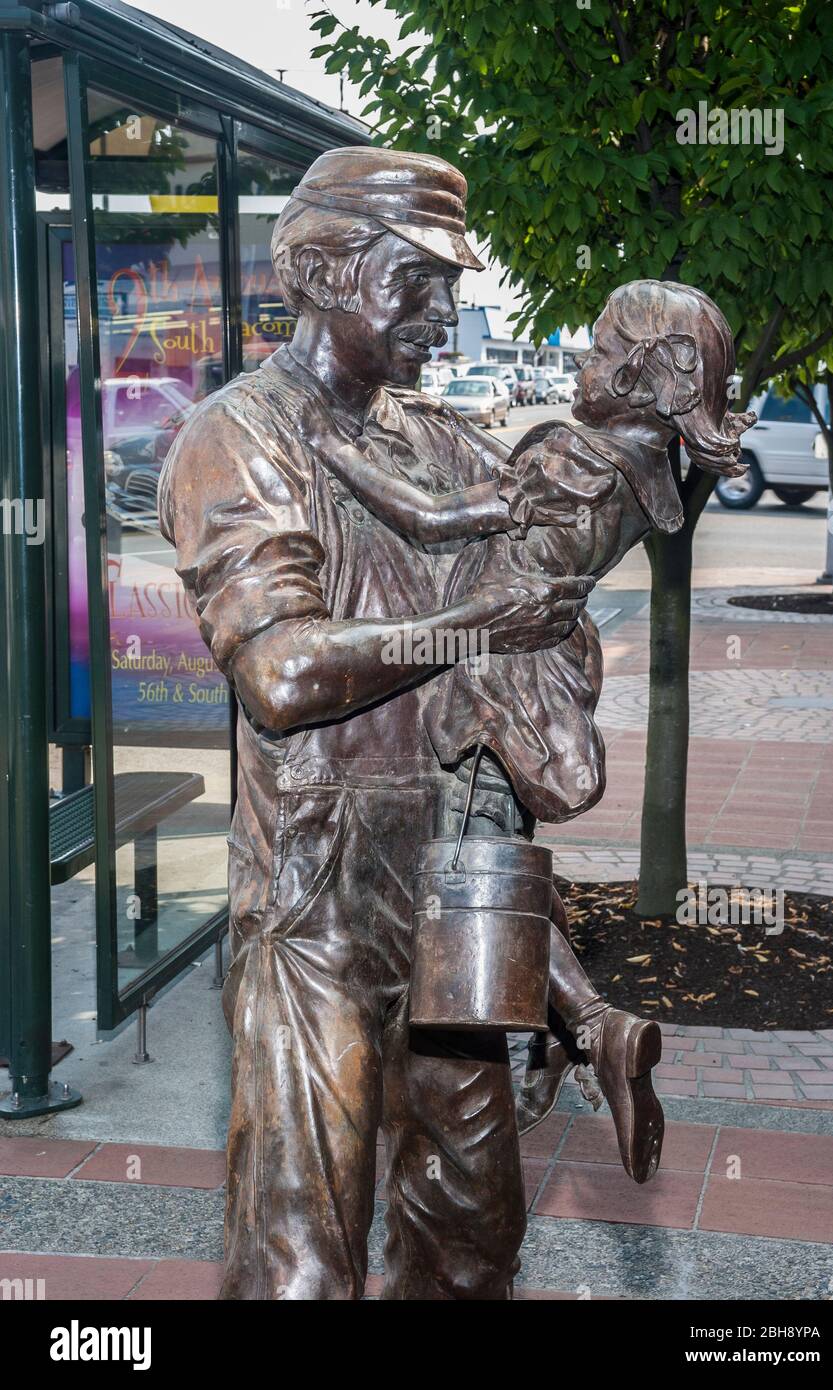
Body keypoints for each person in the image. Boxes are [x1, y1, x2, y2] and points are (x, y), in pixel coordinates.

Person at [158, 145, 596, 1300]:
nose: (445, 312)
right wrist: (470, 620)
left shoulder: (439, 443)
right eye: (418, 279)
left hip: (455, 912)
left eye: (453, 283)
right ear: (320, 272)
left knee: (470, 1240)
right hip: (316, 918)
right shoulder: (236, 437)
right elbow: (285, 675)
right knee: (303, 1260)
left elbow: (531, 651)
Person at [302, 279, 755, 1172]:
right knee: (500, 863)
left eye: (593, 351)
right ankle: (570, 1033)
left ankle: (591, 1028)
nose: (578, 366)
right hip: (539, 686)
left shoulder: (575, 466)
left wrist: (333, 447)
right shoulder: (642, 469)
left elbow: (440, 517)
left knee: (472, 883)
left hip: (491, 693)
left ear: (645, 375)